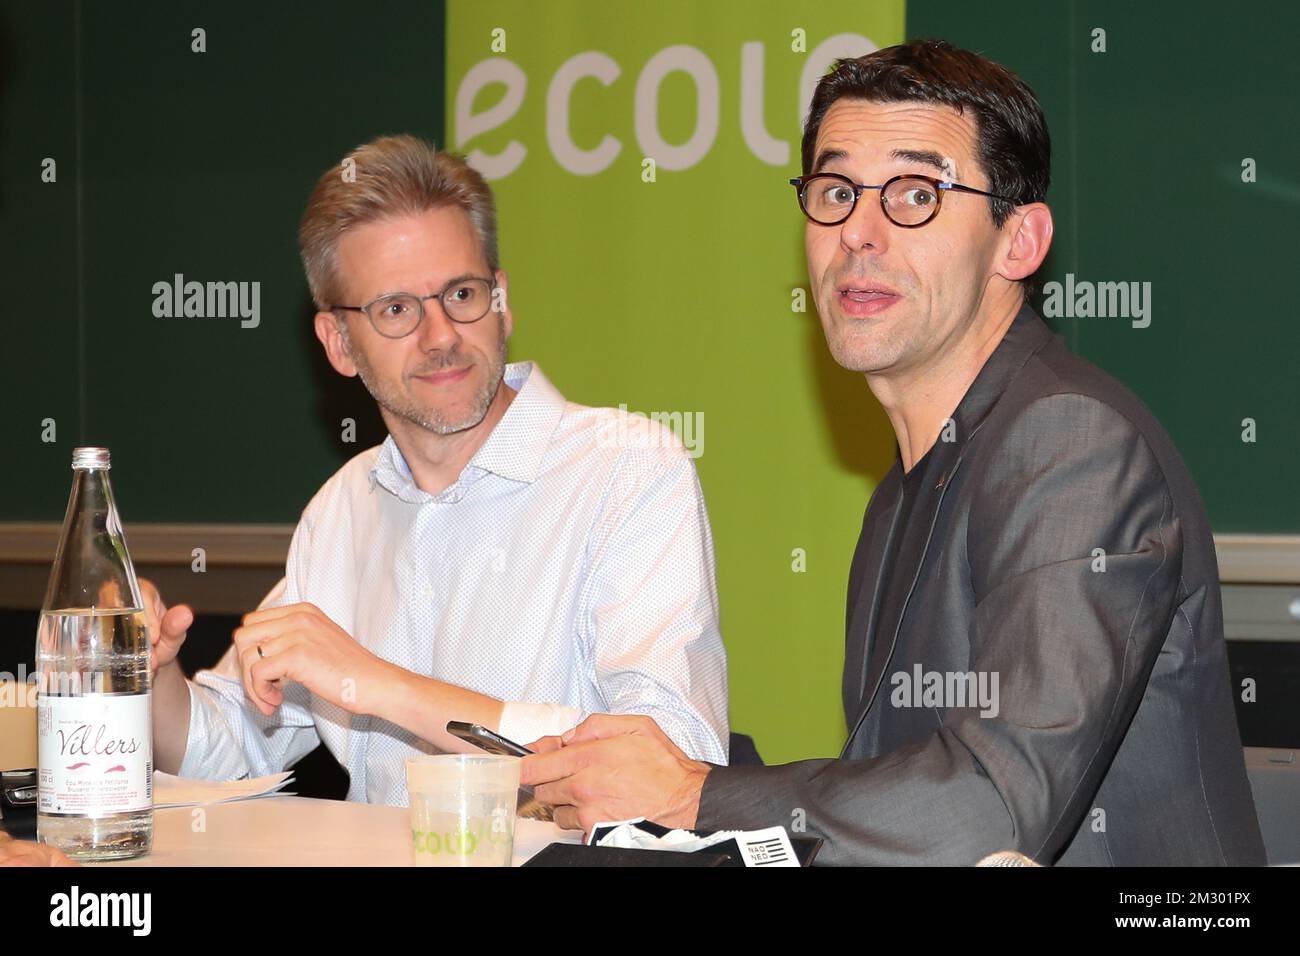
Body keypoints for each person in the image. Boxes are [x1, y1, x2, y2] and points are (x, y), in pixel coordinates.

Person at [521, 39, 1266, 866]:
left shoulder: (1069, 444)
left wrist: (694, 792)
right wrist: (670, 781)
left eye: (916, 193)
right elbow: (893, 798)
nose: (859, 235)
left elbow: (990, 810)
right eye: (835, 192)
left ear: (1018, 241)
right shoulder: (912, 482)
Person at [145, 135, 729, 804]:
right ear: (339, 343)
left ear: (501, 300)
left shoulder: (627, 471)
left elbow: (676, 760)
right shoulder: (343, 508)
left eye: (460, 292)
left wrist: (377, 683)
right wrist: (154, 676)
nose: (441, 334)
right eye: (397, 309)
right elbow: (227, 753)